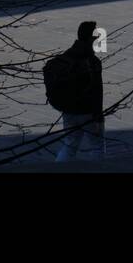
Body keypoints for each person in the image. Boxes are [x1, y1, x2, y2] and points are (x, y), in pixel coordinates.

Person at [46, 20, 105, 162]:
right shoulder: (92, 62)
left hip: (68, 110)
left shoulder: (67, 57)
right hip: (87, 111)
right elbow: (97, 92)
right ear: (91, 38)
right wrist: (99, 116)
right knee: (97, 146)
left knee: (70, 145)